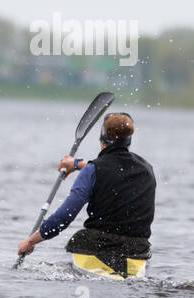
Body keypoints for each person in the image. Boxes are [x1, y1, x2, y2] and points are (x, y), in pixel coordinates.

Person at [15, 111, 156, 277]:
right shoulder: (147, 169)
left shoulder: (93, 170)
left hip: (96, 246)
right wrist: (76, 164)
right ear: (129, 141)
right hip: (136, 250)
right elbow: (114, 169)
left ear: (102, 139)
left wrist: (31, 241)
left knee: (78, 240)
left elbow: (64, 217)